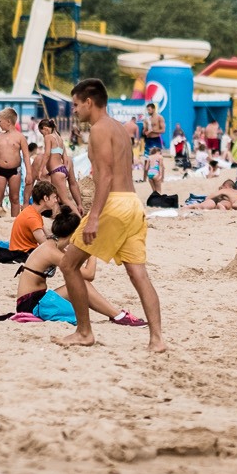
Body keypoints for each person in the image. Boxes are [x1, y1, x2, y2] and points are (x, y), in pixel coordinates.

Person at [55, 78, 165, 352]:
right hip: (132, 204)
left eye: (76, 105)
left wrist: (93, 216)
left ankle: (84, 332)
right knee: (138, 274)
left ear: (89, 102)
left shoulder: (100, 129)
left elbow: (104, 175)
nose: (74, 111)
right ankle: (157, 339)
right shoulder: (119, 128)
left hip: (114, 205)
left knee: (68, 265)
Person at [14, 209, 147, 325]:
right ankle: (118, 316)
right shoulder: (52, 252)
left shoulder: (53, 246)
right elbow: (89, 274)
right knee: (81, 283)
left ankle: (117, 315)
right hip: (31, 306)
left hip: (36, 301)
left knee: (77, 284)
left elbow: (76, 266)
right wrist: (91, 251)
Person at [35, 118, 83, 213]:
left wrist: (40, 170)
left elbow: (47, 154)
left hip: (56, 171)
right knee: (58, 199)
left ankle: (79, 219)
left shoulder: (48, 137)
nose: (43, 135)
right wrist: (64, 172)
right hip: (62, 169)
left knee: (64, 200)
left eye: (42, 132)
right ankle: (58, 216)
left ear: (45, 128)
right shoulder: (60, 139)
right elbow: (65, 158)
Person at [10, 181, 59, 256]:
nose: (56, 200)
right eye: (54, 197)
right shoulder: (32, 217)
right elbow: (44, 243)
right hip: (23, 254)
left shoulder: (33, 212)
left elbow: (48, 235)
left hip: (22, 251)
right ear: (46, 198)